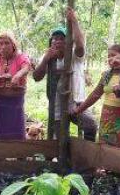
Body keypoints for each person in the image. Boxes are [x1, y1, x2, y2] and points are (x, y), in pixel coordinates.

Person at [32, 10, 97, 141]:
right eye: (55, 39)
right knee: (61, 139)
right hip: (57, 105)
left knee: (90, 125)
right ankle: (65, 159)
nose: (57, 42)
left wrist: (74, 21)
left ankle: (85, 155)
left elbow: (80, 45)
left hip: (76, 103)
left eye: (62, 39)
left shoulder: (74, 56)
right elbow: (36, 77)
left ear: (68, 42)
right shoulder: (48, 57)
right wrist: (46, 59)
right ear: (51, 42)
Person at [72, 44, 120, 146]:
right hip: (107, 117)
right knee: (104, 147)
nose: (110, 58)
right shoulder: (107, 75)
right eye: (108, 56)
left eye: (113, 55)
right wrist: (79, 109)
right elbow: (95, 94)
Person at [0, 32, 32, 139]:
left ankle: (19, 153)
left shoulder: (20, 57)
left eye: (7, 43)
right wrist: (1, 78)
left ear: (13, 45)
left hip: (15, 100)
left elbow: (26, 67)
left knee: (16, 126)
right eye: (0, 43)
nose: (3, 46)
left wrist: (17, 75)